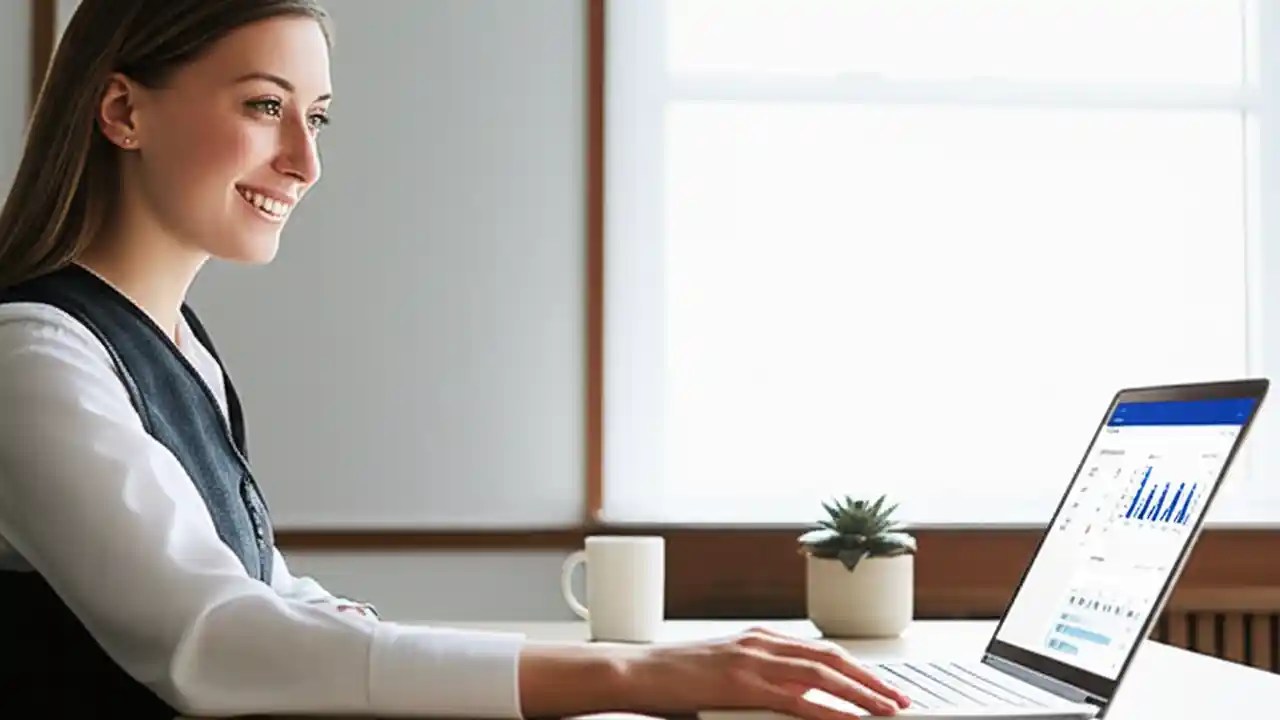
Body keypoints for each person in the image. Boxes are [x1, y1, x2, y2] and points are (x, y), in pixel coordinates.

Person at [0, 1, 912, 718]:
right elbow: (215, 637)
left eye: (316, 116)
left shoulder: (173, 348)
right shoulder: (34, 357)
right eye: (265, 106)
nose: (305, 161)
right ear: (122, 109)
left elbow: (264, 594)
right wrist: (637, 674)